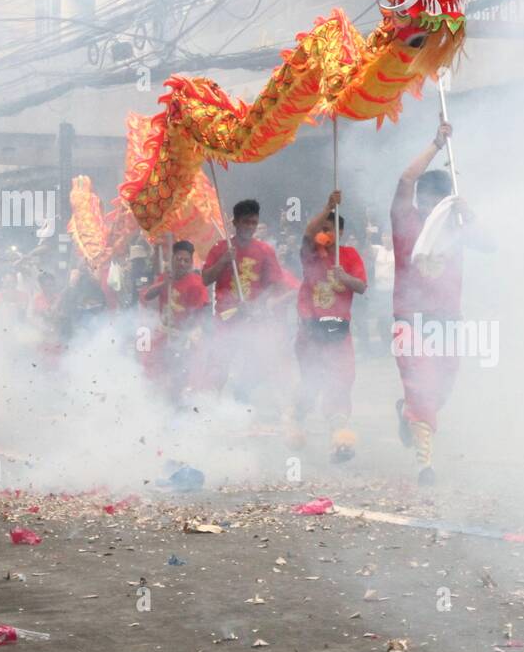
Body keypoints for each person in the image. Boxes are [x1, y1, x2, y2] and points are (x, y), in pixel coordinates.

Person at [390, 118, 489, 486]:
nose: (432, 207)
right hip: (410, 318)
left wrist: (470, 216)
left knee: (441, 389)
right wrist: (435, 143)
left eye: (440, 201)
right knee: (420, 386)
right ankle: (425, 466)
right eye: (427, 200)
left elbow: (490, 245)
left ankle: (408, 415)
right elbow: (404, 180)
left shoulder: (457, 228)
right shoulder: (404, 219)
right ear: (420, 200)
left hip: (447, 320)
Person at [289, 190, 367, 462]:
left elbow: (362, 287)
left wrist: (344, 276)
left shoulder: (349, 256)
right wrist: (327, 206)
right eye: (322, 229)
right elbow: (308, 234)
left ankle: (340, 440)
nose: (325, 234)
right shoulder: (311, 253)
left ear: (340, 233)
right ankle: (296, 422)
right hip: (310, 329)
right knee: (313, 381)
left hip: (337, 331)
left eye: (330, 230)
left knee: (341, 381)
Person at [201, 199, 298, 403]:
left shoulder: (265, 250)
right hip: (225, 319)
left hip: (253, 318)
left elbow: (274, 283)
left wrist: (258, 304)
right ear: (235, 223)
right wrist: (223, 261)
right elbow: (206, 279)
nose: (250, 227)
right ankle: (210, 407)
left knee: (253, 365)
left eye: (253, 222)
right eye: (246, 222)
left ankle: (241, 404)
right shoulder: (221, 248)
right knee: (220, 364)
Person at [139, 239, 209, 391]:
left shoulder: (196, 284)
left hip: (183, 338)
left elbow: (199, 314)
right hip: (162, 334)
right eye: (179, 259)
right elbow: (147, 296)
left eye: (186, 260)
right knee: (154, 375)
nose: (182, 263)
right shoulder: (165, 277)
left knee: (179, 378)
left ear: (191, 262)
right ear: (172, 259)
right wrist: (164, 284)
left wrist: (183, 335)